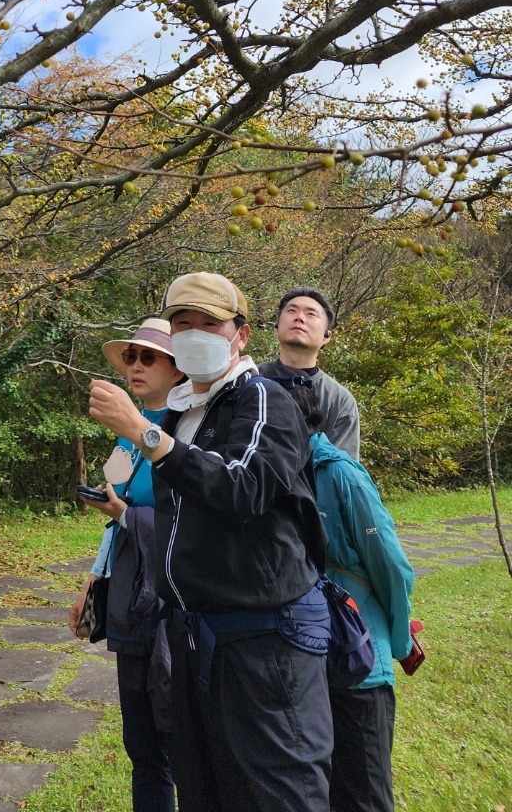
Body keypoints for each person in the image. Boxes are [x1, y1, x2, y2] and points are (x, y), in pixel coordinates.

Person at [88, 272, 333, 812]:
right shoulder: (182, 411)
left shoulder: (262, 398)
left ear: (240, 335)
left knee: (279, 788)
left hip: (266, 635)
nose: (195, 333)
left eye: (210, 323)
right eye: (183, 324)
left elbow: (243, 488)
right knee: (205, 786)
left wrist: (145, 434)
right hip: (192, 632)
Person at [69, 317, 183, 812]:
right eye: (131, 357)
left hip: (171, 603)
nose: (135, 365)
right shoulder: (125, 431)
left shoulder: (188, 429)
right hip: (129, 597)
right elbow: (118, 516)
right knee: (140, 743)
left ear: (178, 369)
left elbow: (193, 518)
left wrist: (122, 513)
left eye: (148, 357)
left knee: (176, 740)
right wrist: (93, 581)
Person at [287, 379, 415, 812]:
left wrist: (398, 641)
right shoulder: (276, 474)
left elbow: (391, 567)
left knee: (365, 791)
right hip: (305, 662)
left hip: (360, 659)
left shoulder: (341, 473)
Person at [260, 287, 361, 459]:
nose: (299, 317)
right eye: (292, 311)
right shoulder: (246, 377)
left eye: (311, 314)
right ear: (276, 328)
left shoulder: (338, 400)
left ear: (326, 336)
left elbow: (340, 468)